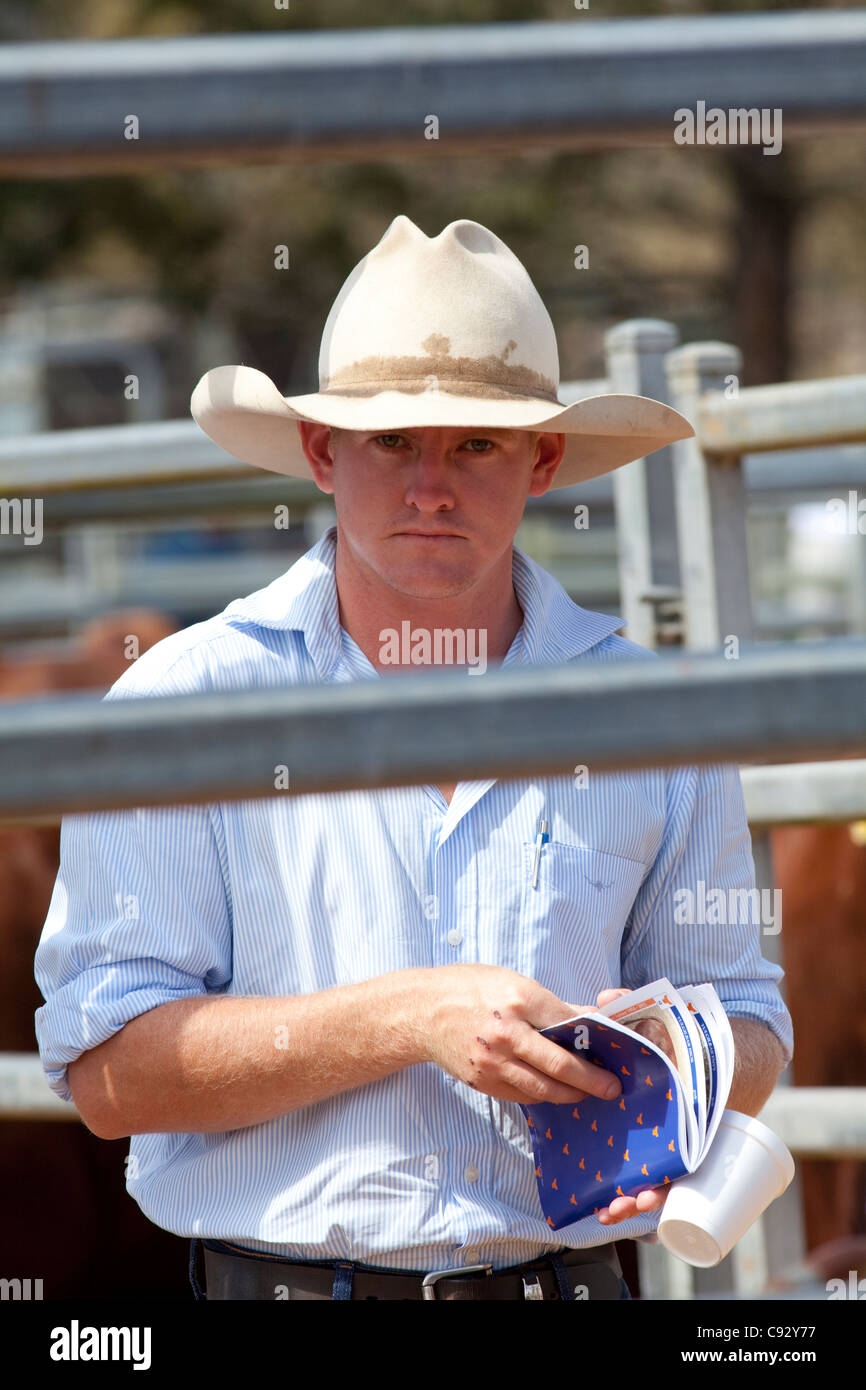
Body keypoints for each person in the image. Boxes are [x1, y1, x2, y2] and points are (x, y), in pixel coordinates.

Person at [34, 215, 793, 1301]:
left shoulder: (655, 716)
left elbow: (749, 1021)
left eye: (474, 443)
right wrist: (410, 1017)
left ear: (538, 462)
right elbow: (112, 1078)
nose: (429, 485)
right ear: (320, 452)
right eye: (392, 441)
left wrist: (673, 1086)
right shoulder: (181, 701)